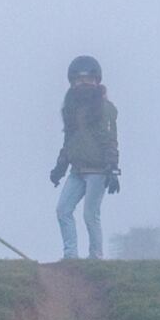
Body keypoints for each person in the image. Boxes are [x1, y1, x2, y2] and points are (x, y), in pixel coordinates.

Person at [49, 55, 120, 260]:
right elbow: (69, 141)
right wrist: (59, 168)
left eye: (88, 79)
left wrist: (112, 169)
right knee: (63, 210)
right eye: (79, 80)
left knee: (90, 215)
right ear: (72, 82)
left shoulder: (105, 108)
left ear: (97, 81)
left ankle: (95, 257)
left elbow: (110, 140)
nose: (84, 84)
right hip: (77, 170)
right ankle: (70, 256)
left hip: (98, 171)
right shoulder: (70, 109)